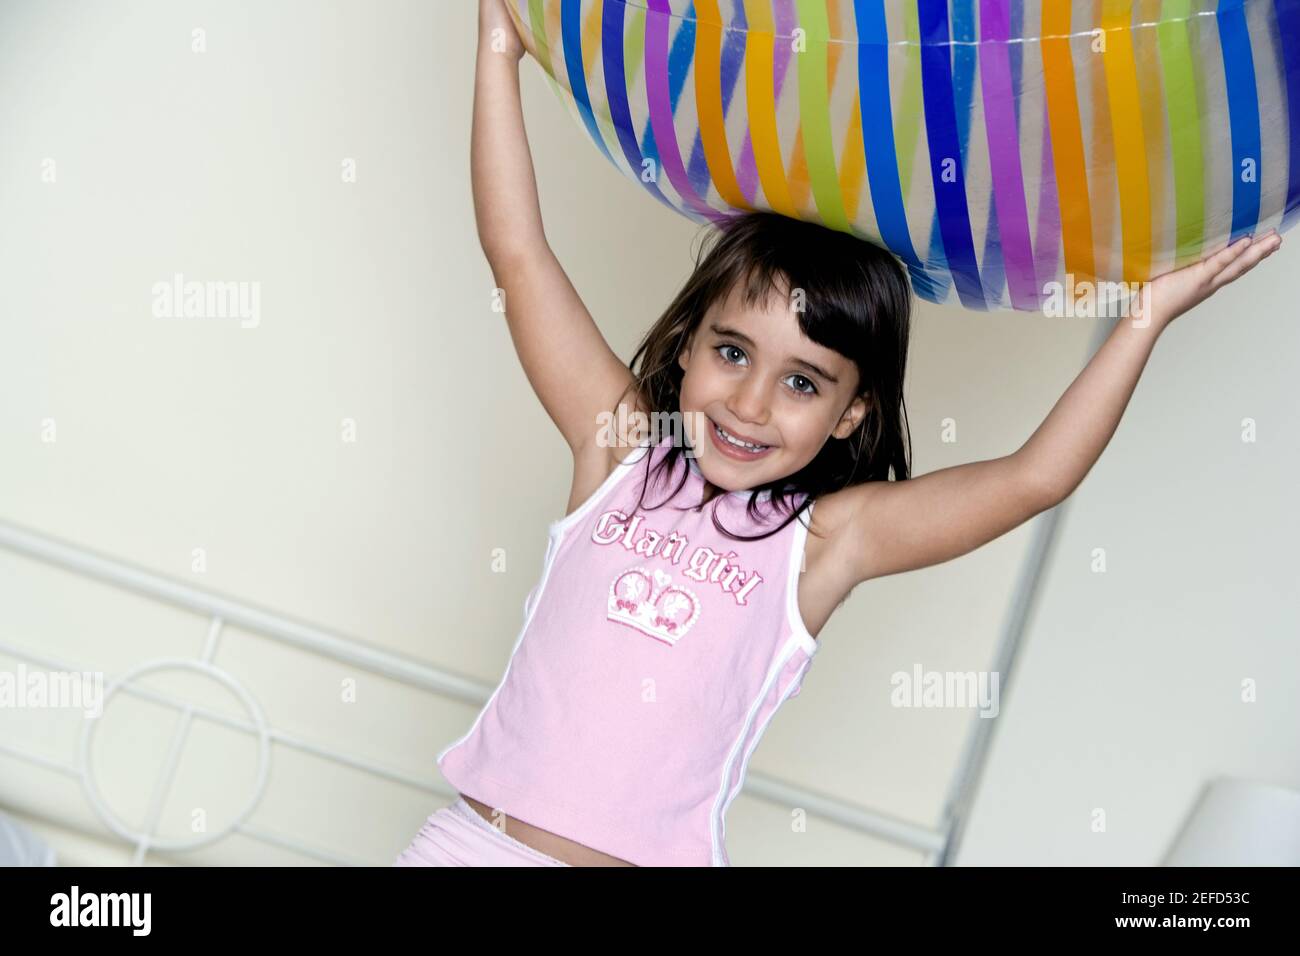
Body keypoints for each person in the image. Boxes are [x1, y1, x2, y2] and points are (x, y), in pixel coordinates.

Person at [395, 0, 1283, 868]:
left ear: (849, 414)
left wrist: (1143, 321)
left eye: (802, 382)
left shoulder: (822, 544)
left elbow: (1033, 480)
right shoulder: (621, 447)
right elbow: (518, 251)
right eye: (733, 352)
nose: (750, 404)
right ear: (688, 343)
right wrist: (499, 50)